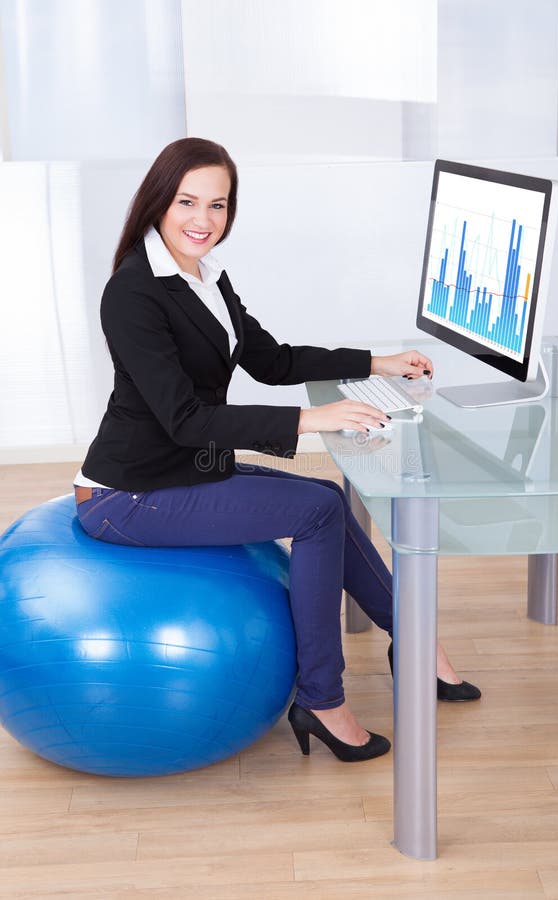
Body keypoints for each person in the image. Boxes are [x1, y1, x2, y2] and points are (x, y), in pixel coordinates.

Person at [75, 137, 480, 764]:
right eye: (187, 202)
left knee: (322, 496)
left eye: (218, 204)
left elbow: (271, 360)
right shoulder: (132, 291)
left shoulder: (206, 276)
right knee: (316, 512)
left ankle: (417, 642)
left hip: (183, 468)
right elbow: (184, 419)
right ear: (158, 202)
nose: (203, 220)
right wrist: (312, 421)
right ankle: (322, 698)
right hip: (130, 494)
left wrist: (377, 359)